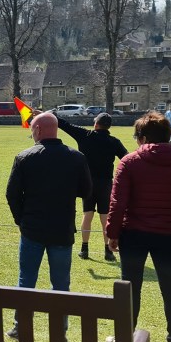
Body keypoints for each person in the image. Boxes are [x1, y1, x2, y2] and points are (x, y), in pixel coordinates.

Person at [105, 111, 171, 342]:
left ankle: (124, 335)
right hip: (169, 232)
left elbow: (117, 202)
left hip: (134, 233)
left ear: (143, 137)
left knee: (130, 287)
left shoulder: (130, 162)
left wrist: (112, 233)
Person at [5, 112, 91, 339]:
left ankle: (20, 326)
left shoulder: (25, 157)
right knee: (61, 284)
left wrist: (21, 220)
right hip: (62, 229)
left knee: (27, 280)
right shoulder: (76, 157)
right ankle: (59, 332)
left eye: (32, 129)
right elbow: (86, 191)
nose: (31, 133)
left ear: (39, 130)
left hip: (32, 229)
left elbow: (12, 194)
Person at [56, 112, 128, 261]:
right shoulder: (114, 141)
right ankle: (108, 251)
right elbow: (127, 158)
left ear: (96, 124)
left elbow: (65, 125)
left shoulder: (85, 135)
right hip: (106, 183)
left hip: (87, 182)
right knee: (105, 217)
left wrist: (44, 114)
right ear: (109, 127)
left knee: (87, 214)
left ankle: (84, 249)